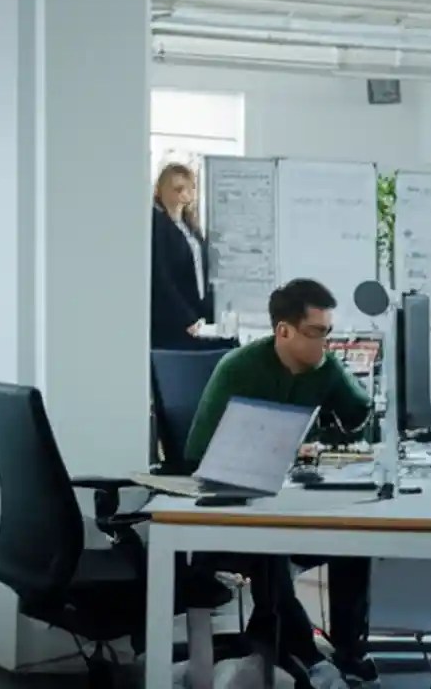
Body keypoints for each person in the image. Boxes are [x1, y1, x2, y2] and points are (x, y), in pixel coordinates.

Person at [184, 279, 375, 688]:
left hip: (289, 502)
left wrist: (356, 407)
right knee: (268, 544)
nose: (326, 342)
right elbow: (198, 456)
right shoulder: (238, 368)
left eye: (329, 332)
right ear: (283, 331)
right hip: (231, 513)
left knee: (357, 538)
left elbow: (362, 423)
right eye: (316, 332)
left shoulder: (324, 368)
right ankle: (307, 656)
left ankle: (349, 652)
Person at [150, 163, 212, 349]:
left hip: (198, 316)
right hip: (173, 320)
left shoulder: (190, 226)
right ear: (162, 190)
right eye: (177, 188)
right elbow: (161, 277)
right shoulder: (157, 223)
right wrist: (186, 318)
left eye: (188, 187)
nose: (183, 193)